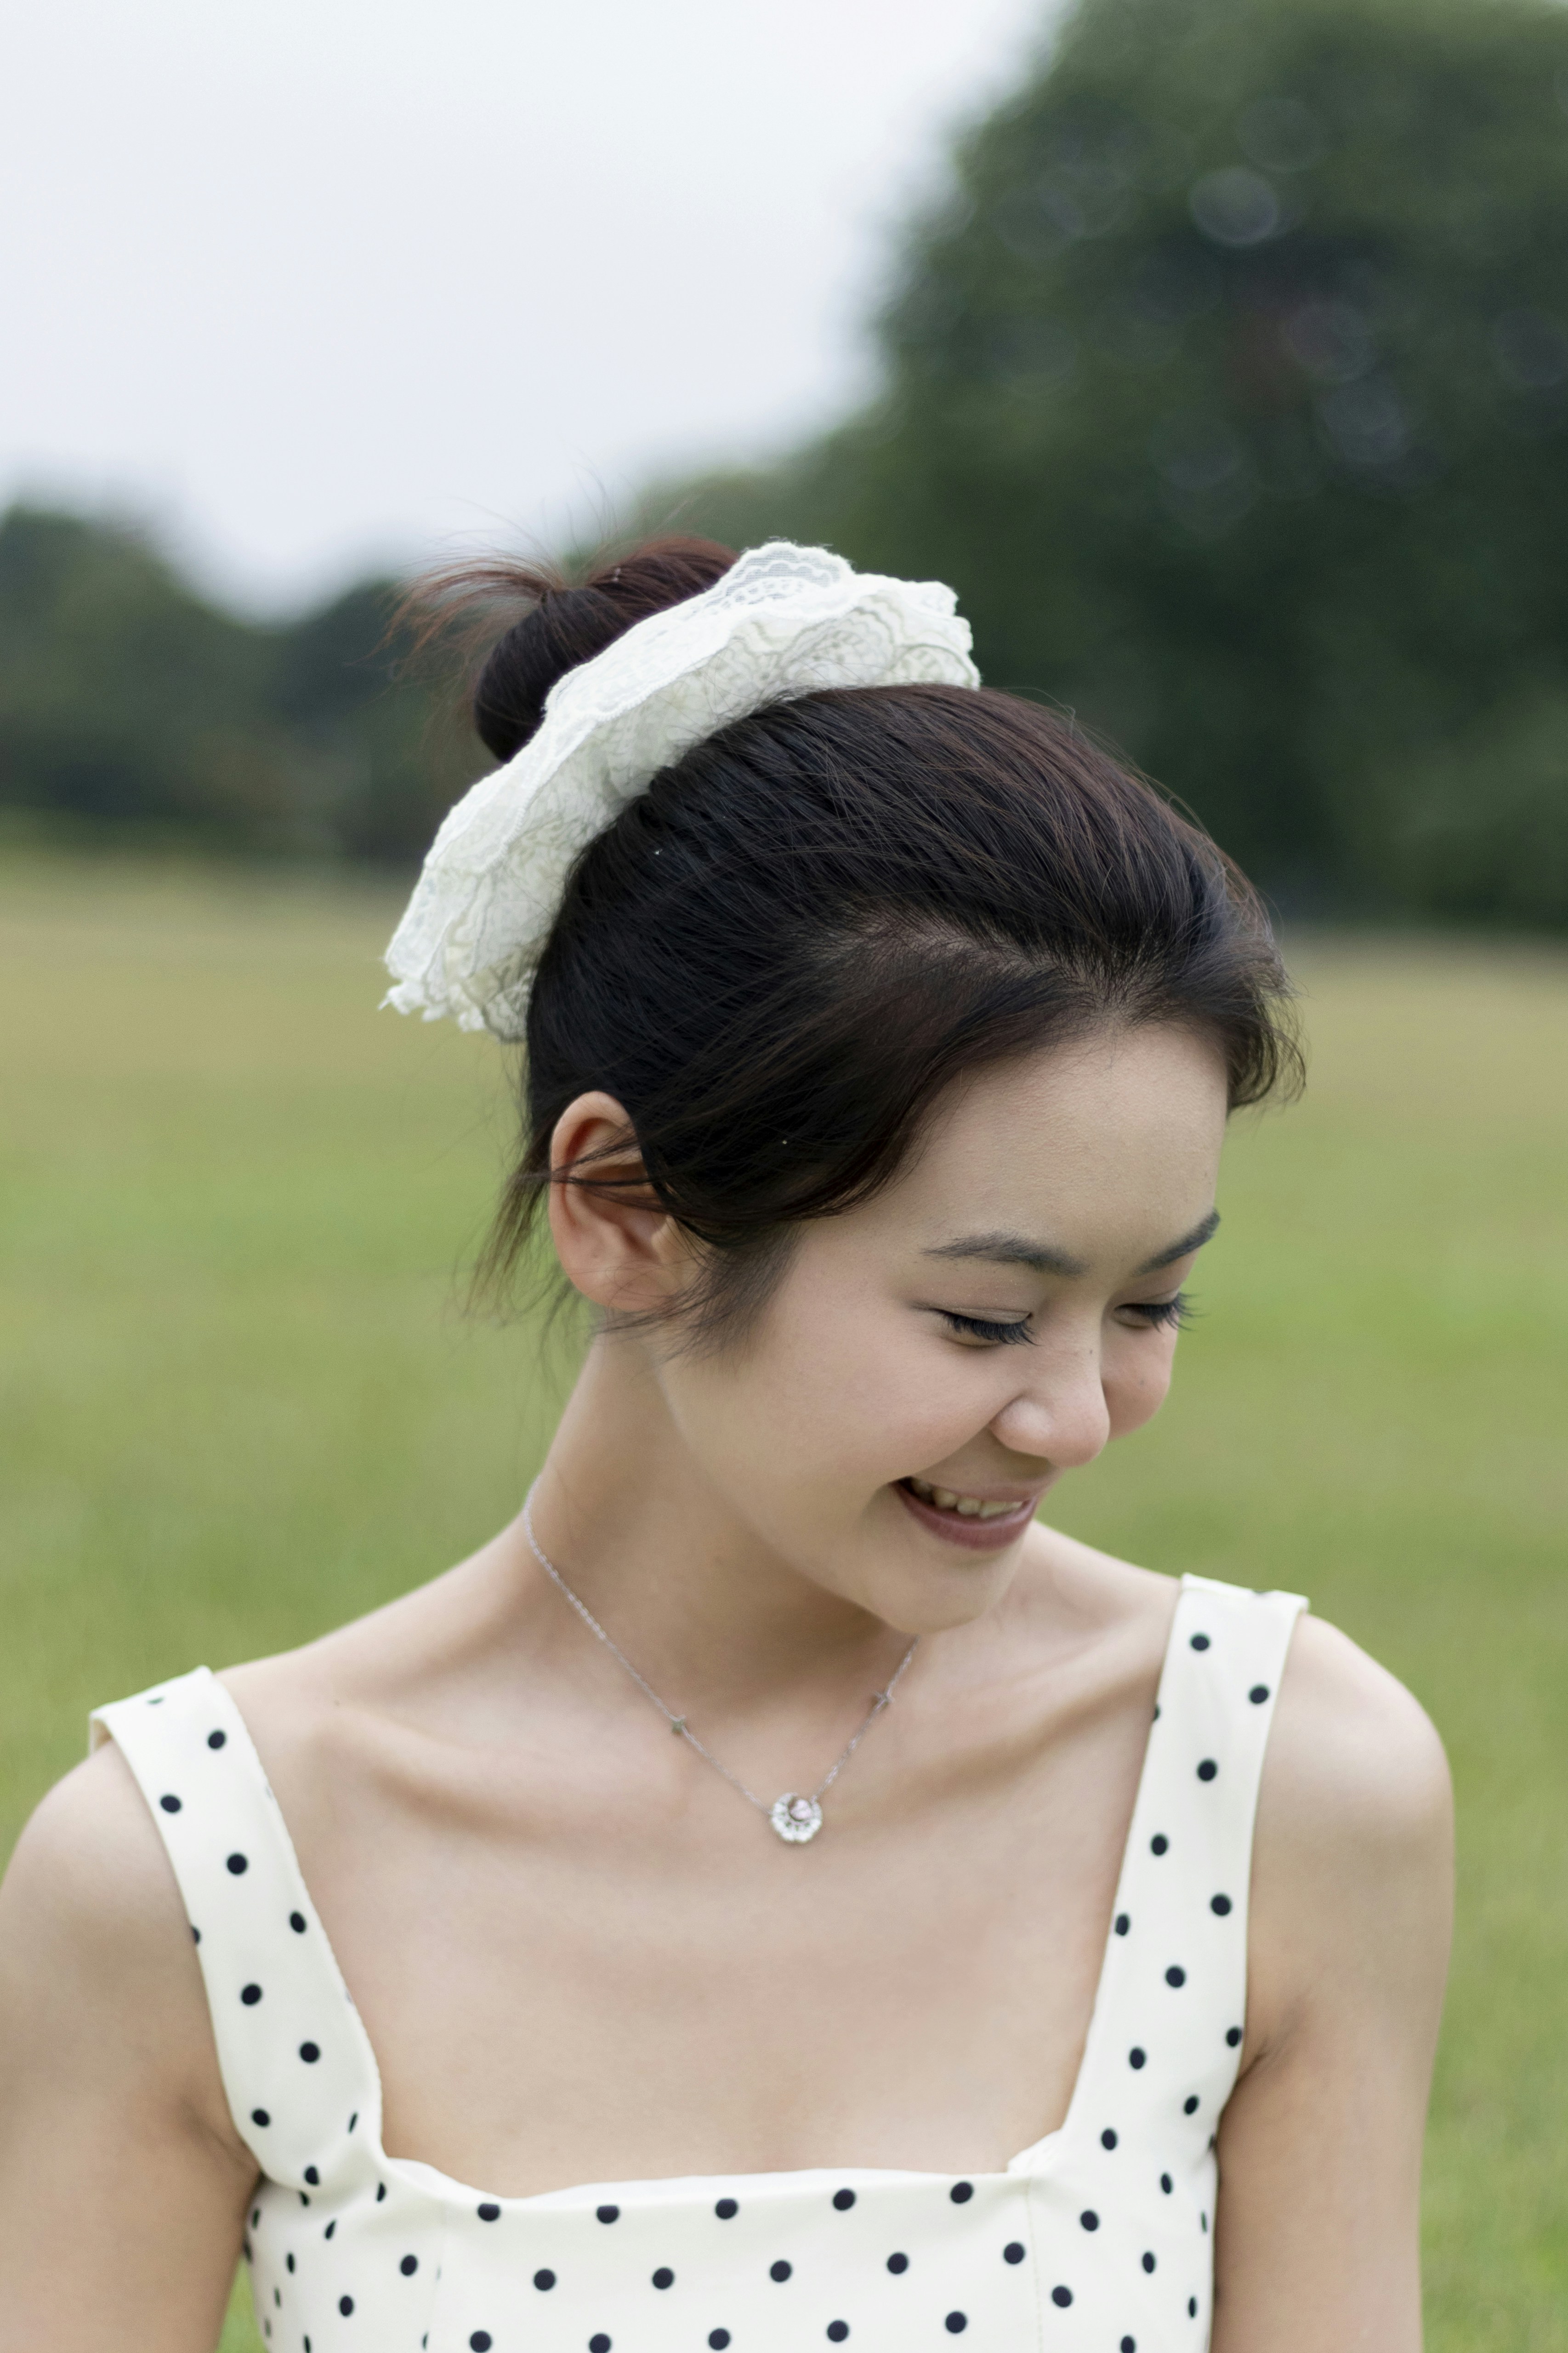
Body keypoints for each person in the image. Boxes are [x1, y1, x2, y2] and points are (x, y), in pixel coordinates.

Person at [0, 540, 1452, 2353]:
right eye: (983, 1317)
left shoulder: (1285, 1781)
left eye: (1149, 1304)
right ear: (619, 1205)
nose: (1074, 1415)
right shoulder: (196, 1865)